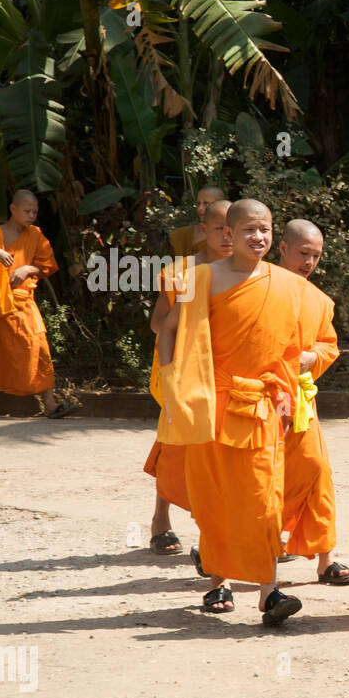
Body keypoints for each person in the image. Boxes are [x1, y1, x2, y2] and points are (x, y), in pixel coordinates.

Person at [156, 199, 304, 624]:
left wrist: (287, 394)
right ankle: (217, 582)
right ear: (229, 235)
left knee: (263, 498)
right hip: (210, 402)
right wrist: (172, 387)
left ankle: (269, 592)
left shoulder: (285, 284)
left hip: (260, 405)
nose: (258, 237)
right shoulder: (197, 278)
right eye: (248, 230)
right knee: (215, 498)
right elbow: (169, 329)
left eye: (266, 229)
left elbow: (289, 349)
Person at [143, 198, 232, 555]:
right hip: (182, 369)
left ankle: (234, 531)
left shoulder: (253, 272)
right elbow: (156, 322)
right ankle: (160, 518)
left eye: (232, 230)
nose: (226, 237)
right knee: (177, 444)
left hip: (230, 372)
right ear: (202, 232)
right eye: (218, 229)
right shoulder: (182, 272)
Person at [276, 219, 349, 584]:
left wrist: (313, 357)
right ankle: (224, 551)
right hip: (258, 399)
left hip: (302, 398)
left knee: (317, 472)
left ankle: (326, 560)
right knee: (256, 478)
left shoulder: (321, 301)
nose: (309, 262)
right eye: (303, 253)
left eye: (316, 256)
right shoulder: (256, 288)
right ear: (282, 249)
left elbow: (328, 344)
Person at [0, 190, 77, 418]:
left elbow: (48, 266)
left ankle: (50, 404)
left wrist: (28, 268)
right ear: (13, 209)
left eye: (34, 212)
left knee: (38, 348)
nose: (31, 216)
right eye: (27, 211)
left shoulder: (36, 236)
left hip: (23, 303)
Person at [168, 186, 225, 258]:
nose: (200, 208)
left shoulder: (229, 235)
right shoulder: (181, 234)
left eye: (206, 203)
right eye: (198, 204)